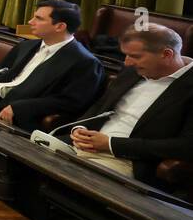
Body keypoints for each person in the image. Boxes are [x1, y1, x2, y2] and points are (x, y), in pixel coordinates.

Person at [69, 26, 193, 187]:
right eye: (125, 55)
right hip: (84, 145)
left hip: (129, 161)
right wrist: (79, 128)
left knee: (64, 182)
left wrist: (111, 144)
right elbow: (100, 106)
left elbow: (186, 146)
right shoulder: (133, 70)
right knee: (31, 155)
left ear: (166, 54)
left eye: (135, 56)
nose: (127, 62)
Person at [0, 0, 105, 131]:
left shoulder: (85, 63)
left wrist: (19, 108)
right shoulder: (27, 45)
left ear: (60, 26)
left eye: (39, 18)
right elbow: (2, 72)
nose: (30, 22)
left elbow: (70, 102)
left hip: (22, 113)